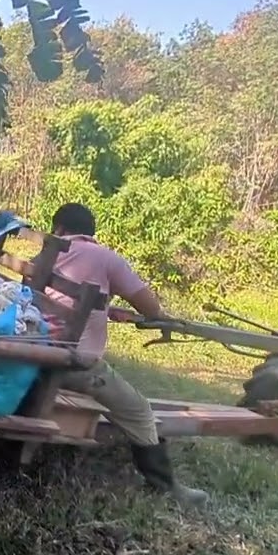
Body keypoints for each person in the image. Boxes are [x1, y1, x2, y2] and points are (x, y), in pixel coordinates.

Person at [41, 203, 209, 506]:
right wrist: (156, 314)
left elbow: (64, 298)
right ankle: (166, 485)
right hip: (75, 364)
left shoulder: (50, 251)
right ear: (90, 233)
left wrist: (105, 307)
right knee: (141, 411)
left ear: (61, 229)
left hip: (39, 348)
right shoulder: (107, 258)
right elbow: (150, 307)